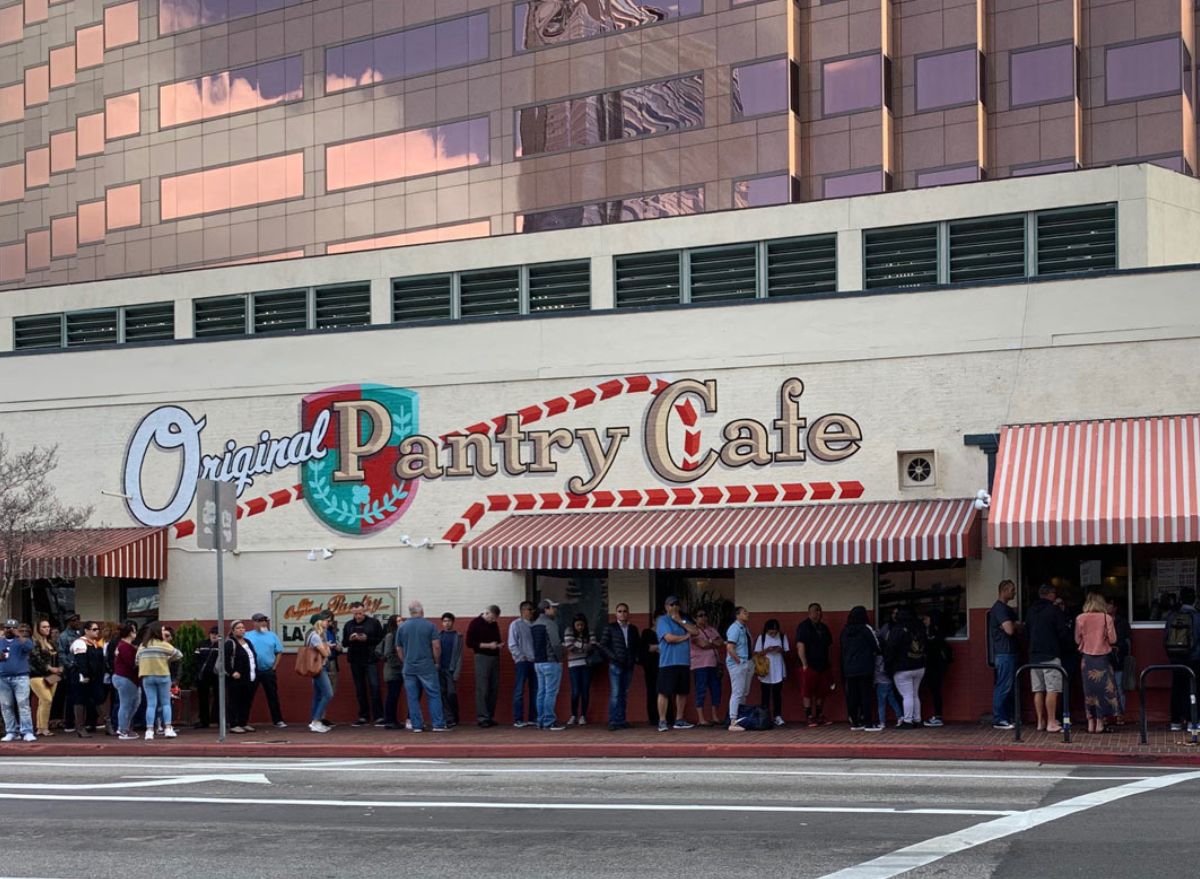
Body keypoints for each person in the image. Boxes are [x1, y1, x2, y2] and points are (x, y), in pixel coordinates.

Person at [396, 601, 447, 732]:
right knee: (434, 695)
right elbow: (436, 646)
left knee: (412, 697)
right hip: (427, 666)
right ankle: (438, 724)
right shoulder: (430, 626)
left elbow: (398, 648)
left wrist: (404, 661)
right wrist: (436, 662)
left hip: (409, 667)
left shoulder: (402, 627)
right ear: (422, 611)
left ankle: (417, 725)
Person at [1027, 583, 1070, 733]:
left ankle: (1040, 721)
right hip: (1050, 654)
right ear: (1050, 594)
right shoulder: (1054, 610)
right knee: (1052, 688)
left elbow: (1027, 631)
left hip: (1033, 655)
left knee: (1038, 689)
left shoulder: (1031, 610)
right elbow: (1062, 632)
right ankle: (1052, 722)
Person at [1075, 592, 1119, 734]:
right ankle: (1100, 722)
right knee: (1103, 691)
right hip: (1103, 658)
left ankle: (1090, 722)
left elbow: (1077, 640)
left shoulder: (1080, 618)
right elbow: (1113, 640)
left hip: (1087, 659)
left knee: (1089, 692)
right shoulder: (1107, 618)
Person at [655, 596, 698, 732]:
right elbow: (669, 638)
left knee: (682, 692)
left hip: (683, 661)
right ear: (666, 607)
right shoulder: (663, 620)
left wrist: (680, 621)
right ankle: (662, 721)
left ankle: (679, 720)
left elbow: (695, 631)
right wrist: (685, 637)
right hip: (668, 662)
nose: (674, 607)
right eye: (671, 604)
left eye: (676, 604)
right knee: (664, 692)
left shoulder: (683, 619)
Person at [135, 622, 181, 740]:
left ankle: (149, 730)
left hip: (147, 675)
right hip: (162, 674)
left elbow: (137, 661)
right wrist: (167, 659)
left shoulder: (142, 645)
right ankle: (168, 728)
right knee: (165, 703)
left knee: (151, 704)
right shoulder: (163, 645)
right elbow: (178, 655)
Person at [342, 602, 385, 727]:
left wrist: (367, 639)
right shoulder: (348, 625)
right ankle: (363, 716)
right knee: (360, 689)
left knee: (375, 687)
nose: (358, 616)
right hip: (355, 660)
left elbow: (380, 639)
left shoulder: (374, 623)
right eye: (355, 614)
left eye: (360, 613)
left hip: (370, 659)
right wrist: (350, 639)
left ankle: (379, 716)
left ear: (364, 611)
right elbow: (344, 643)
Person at [598, 602, 639, 730]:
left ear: (628, 613)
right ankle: (613, 721)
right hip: (616, 665)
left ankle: (621, 720)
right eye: (619, 611)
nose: (622, 613)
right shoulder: (610, 627)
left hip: (629, 665)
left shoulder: (633, 629)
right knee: (616, 693)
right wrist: (614, 658)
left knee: (624, 693)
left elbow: (636, 645)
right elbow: (603, 645)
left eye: (624, 611)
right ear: (616, 613)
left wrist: (634, 658)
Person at [1165, 586, 1200, 731]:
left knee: (1177, 689)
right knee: (1195, 689)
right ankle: (1193, 721)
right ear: (1195, 600)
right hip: (1195, 658)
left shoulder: (1172, 616)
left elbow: (1166, 638)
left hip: (1176, 658)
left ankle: (1175, 721)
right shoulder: (1197, 617)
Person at [885, 608, 927, 728]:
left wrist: (888, 665)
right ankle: (917, 719)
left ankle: (908, 721)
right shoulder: (919, 628)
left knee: (907, 695)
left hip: (902, 667)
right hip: (919, 666)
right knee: (915, 694)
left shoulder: (897, 629)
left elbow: (891, 648)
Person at [987, 579, 1020, 730]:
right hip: (1004, 652)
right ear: (1004, 590)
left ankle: (1006, 716)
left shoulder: (1003, 609)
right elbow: (1010, 630)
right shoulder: (1000, 609)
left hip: (1007, 652)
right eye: (1012, 590)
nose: (1014, 592)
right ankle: (999, 718)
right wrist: (1015, 625)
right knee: (1003, 686)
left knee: (1008, 685)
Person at [244, 613, 287, 729]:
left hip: (268, 670)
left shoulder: (272, 635)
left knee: (272, 696)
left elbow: (279, 652)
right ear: (254, 622)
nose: (263, 623)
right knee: (248, 696)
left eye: (265, 621)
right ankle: (244, 721)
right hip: (252, 671)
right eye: (260, 621)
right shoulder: (247, 635)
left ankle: (277, 720)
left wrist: (274, 667)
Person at [795, 603, 834, 726]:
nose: (819, 613)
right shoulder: (803, 627)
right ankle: (809, 716)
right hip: (809, 665)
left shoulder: (823, 628)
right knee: (807, 692)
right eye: (816, 611)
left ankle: (819, 714)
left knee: (821, 692)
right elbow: (800, 646)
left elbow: (829, 645)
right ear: (810, 613)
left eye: (820, 611)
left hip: (823, 665)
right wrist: (804, 664)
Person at [840, 606, 877, 731]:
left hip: (849, 668)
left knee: (852, 696)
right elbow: (876, 646)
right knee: (866, 695)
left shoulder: (845, 631)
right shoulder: (866, 629)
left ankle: (854, 722)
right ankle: (868, 723)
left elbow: (842, 648)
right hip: (865, 667)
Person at [531, 598, 565, 731]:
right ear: (546, 609)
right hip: (551, 662)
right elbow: (555, 643)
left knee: (541, 692)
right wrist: (560, 658)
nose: (555, 610)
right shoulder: (550, 624)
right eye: (553, 607)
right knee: (551, 692)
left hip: (538, 662)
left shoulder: (534, 624)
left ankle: (540, 720)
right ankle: (549, 721)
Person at [466, 605, 502, 727]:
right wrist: (488, 645)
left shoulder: (494, 624)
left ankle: (490, 715)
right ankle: (482, 717)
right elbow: (469, 643)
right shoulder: (475, 623)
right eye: (492, 618)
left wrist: (498, 645)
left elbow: (497, 638)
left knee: (493, 687)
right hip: (482, 657)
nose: (493, 621)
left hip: (495, 657)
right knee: (483, 687)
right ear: (486, 613)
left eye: (495, 619)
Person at [70, 621, 107, 738]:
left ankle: (108, 723)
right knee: (80, 700)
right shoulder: (80, 643)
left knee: (99, 698)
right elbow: (81, 661)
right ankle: (80, 727)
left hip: (95, 677)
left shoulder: (96, 644)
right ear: (86, 630)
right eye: (94, 629)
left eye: (98, 629)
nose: (97, 632)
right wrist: (84, 675)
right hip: (82, 677)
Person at [0, 619, 36, 742]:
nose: (8, 630)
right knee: (6, 705)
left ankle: (27, 731)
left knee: (23, 704)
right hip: (3, 677)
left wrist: (18, 635)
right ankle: (11, 731)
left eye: (12, 628)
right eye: (6, 628)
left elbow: (30, 647)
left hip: (21, 676)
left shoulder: (22, 641)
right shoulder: (0, 641)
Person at [688, 609, 723, 726]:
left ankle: (714, 716)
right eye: (700, 616)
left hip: (713, 663)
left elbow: (720, 642)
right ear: (695, 619)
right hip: (699, 665)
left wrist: (709, 641)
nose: (703, 617)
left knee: (716, 690)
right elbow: (702, 645)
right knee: (701, 690)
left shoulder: (711, 629)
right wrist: (712, 641)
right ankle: (701, 718)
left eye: (705, 615)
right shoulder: (694, 631)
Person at [28, 620, 62, 738]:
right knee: (47, 699)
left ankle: (40, 728)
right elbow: (35, 659)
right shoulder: (34, 642)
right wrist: (49, 668)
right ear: (38, 629)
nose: (47, 629)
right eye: (44, 627)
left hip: (53, 676)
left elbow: (58, 656)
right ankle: (44, 727)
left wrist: (59, 667)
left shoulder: (51, 642)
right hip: (37, 675)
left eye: (48, 627)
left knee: (45, 702)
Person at [562, 613, 598, 725]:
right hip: (573, 665)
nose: (580, 627)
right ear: (574, 625)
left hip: (587, 664)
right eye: (578, 625)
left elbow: (592, 647)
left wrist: (578, 645)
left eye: (582, 625)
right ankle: (573, 715)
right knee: (575, 691)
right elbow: (569, 647)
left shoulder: (590, 631)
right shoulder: (569, 631)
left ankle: (583, 715)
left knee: (585, 691)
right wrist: (583, 646)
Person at [223, 620, 257, 734]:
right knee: (234, 701)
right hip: (236, 679)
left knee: (246, 701)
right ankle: (234, 724)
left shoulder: (247, 641)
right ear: (232, 631)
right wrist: (232, 672)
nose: (241, 630)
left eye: (242, 627)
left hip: (250, 677)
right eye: (238, 628)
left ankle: (243, 722)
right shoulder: (230, 643)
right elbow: (225, 661)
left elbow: (252, 657)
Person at [753, 618, 790, 727]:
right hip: (765, 668)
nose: (773, 634)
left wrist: (779, 649)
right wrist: (767, 650)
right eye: (771, 632)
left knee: (777, 693)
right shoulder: (762, 637)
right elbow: (757, 653)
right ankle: (765, 716)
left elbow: (786, 650)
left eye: (775, 632)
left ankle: (777, 715)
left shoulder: (782, 637)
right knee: (765, 693)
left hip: (778, 667)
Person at [507, 600, 538, 728]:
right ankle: (518, 718)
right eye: (529, 609)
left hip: (535, 661)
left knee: (535, 690)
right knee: (519, 690)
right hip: (522, 662)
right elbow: (512, 644)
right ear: (522, 611)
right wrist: (521, 656)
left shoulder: (535, 624)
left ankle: (533, 717)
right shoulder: (515, 625)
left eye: (532, 609)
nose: (532, 612)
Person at [724, 606, 753, 733]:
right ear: (737, 615)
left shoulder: (744, 628)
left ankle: (739, 717)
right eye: (744, 612)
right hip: (738, 663)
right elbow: (730, 647)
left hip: (746, 661)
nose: (747, 614)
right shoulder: (735, 628)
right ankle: (733, 720)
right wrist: (738, 661)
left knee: (743, 692)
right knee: (737, 692)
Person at [921, 609, 952, 727]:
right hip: (933, 666)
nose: (924, 621)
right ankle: (937, 716)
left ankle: (938, 716)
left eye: (926, 618)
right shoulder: (930, 632)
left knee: (936, 691)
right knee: (934, 690)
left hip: (936, 666)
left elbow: (933, 647)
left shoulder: (936, 633)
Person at [111, 622, 141, 740]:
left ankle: (125, 727)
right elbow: (132, 663)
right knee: (126, 704)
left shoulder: (122, 645)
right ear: (130, 633)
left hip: (125, 678)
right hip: (126, 678)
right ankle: (123, 729)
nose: (136, 633)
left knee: (132, 704)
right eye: (134, 631)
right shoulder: (125, 646)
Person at [306, 612, 334, 733]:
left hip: (316, 668)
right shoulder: (316, 636)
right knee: (328, 694)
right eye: (325, 621)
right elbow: (326, 654)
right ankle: (316, 721)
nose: (328, 622)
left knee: (317, 695)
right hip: (319, 668)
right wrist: (327, 647)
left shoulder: (314, 635)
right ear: (319, 622)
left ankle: (314, 721)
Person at [1107, 598, 1133, 724]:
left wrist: (1120, 650)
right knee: (1104, 688)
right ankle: (1105, 716)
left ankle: (1120, 714)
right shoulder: (1101, 621)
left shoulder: (1122, 622)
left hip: (1118, 659)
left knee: (1119, 688)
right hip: (1105, 659)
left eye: (1109, 604)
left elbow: (1127, 642)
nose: (1107, 606)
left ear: (1115, 607)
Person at [437, 613, 464, 728]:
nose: (446, 623)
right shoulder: (438, 635)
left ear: (453, 622)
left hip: (451, 669)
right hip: (440, 669)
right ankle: (449, 718)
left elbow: (460, 656)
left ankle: (454, 714)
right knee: (442, 694)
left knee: (451, 693)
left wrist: (456, 672)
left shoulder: (458, 636)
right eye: (444, 621)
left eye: (449, 621)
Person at [193, 626, 221, 729]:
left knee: (219, 698)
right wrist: (198, 671)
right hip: (203, 675)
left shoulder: (222, 645)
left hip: (217, 676)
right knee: (203, 698)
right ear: (209, 634)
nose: (214, 635)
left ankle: (218, 720)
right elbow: (195, 658)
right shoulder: (201, 644)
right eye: (213, 633)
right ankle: (204, 721)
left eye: (217, 633)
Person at [58, 614, 82, 732]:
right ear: (69, 622)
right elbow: (61, 654)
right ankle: (69, 723)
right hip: (71, 670)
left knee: (81, 695)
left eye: (78, 620)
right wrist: (70, 665)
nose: (78, 622)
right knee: (71, 696)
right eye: (74, 620)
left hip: (81, 668)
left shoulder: (79, 634)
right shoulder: (63, 636)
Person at [379, 614, 404, 729]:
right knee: (392, 695)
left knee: (395, 695)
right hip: (392, 670)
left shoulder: (401, 635)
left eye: (402, 620)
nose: (401, 622)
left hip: (398, 670)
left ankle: (393, 719)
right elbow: (388, 653)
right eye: (398, 621)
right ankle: (389, 720)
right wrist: (400, 664)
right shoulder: (390, 636)